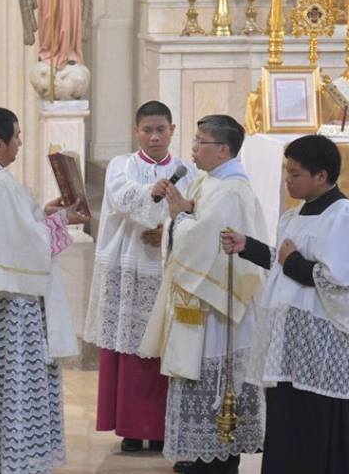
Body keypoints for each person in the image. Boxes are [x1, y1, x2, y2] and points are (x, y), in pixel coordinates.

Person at [0, 107, 87, 474]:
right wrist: (60, 221)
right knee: (16, 397)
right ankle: (14, 463)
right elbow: (26, 247)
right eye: (17, 136)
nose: (20, 143)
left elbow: (4, 234)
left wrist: (42, 214)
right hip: (12, 316)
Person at [221, 135, 349, 474]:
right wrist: (248, 246)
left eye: (295, 174)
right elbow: (282, 260)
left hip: (324, 351)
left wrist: (293, 262)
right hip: (291, 349)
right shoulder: (294, 216)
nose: (287, 181)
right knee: (288, 426)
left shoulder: (345, 217)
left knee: (316, 431)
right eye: (286, 172)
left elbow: (344, 284)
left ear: (321, 176)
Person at [139, 115, 267, 474]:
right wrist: (185, 214)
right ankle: (201, 453)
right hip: (203, 302)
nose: (193, 149)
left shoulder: (233, 190)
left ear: (223, 149)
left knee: (217, 380)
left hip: (220, 308)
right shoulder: (212, 182)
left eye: (200, 142)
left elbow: (204, 243)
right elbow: (197, 228)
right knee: (196, 377)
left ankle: (219, 459)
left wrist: (180, 218)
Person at [84, 101, 196, 453]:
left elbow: (197, 209)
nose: (154, 136)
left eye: (161, 129)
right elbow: (121, 199)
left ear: (172, 131)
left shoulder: (187, 170)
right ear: (137, 132)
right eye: (147, 130)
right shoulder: (122, 166)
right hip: (128, 265)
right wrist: (151, 195)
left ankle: (162, 428)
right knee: (130, 349)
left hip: (167, 269)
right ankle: (131, 427)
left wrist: (169, 229)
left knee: (163, 348)